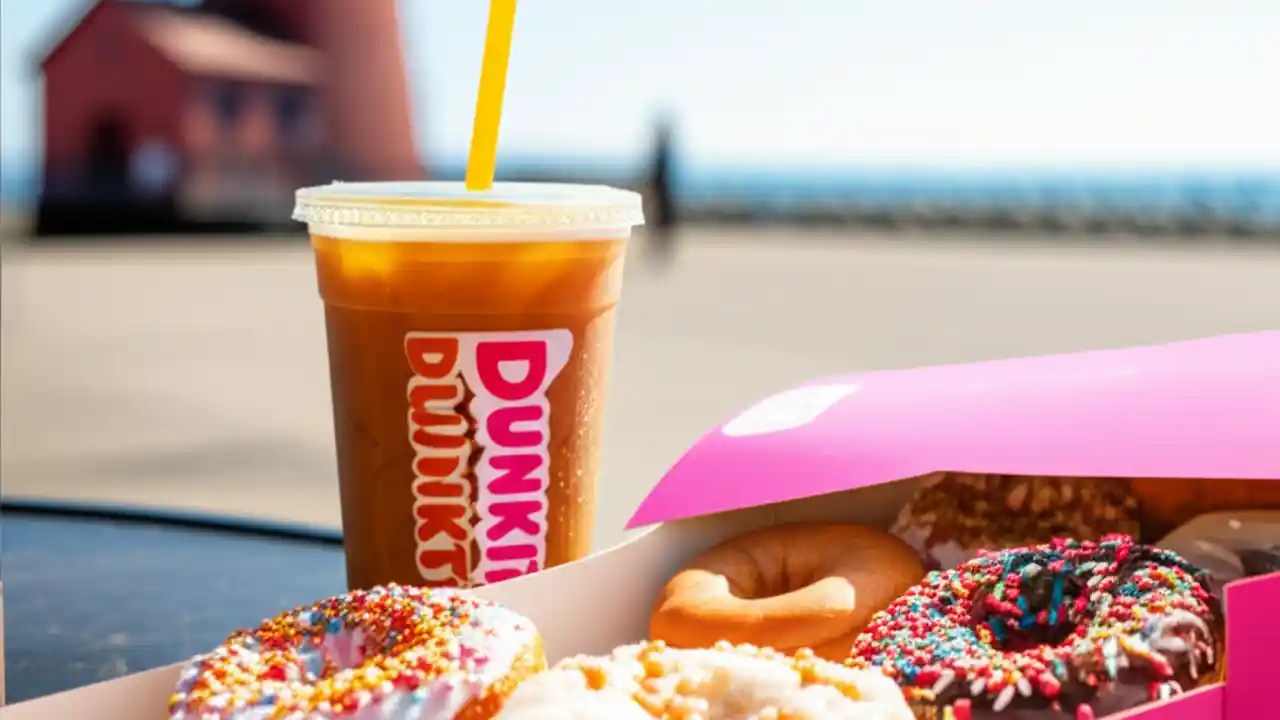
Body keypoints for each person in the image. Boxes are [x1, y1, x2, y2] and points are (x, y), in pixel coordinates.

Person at [646, 117, 678, 263]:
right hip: (662, 194)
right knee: (659, 222)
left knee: (662, 222)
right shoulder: (662, 153)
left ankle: (661, 250)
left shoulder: (663, 153)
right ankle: (659, 250)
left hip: (664, 194)